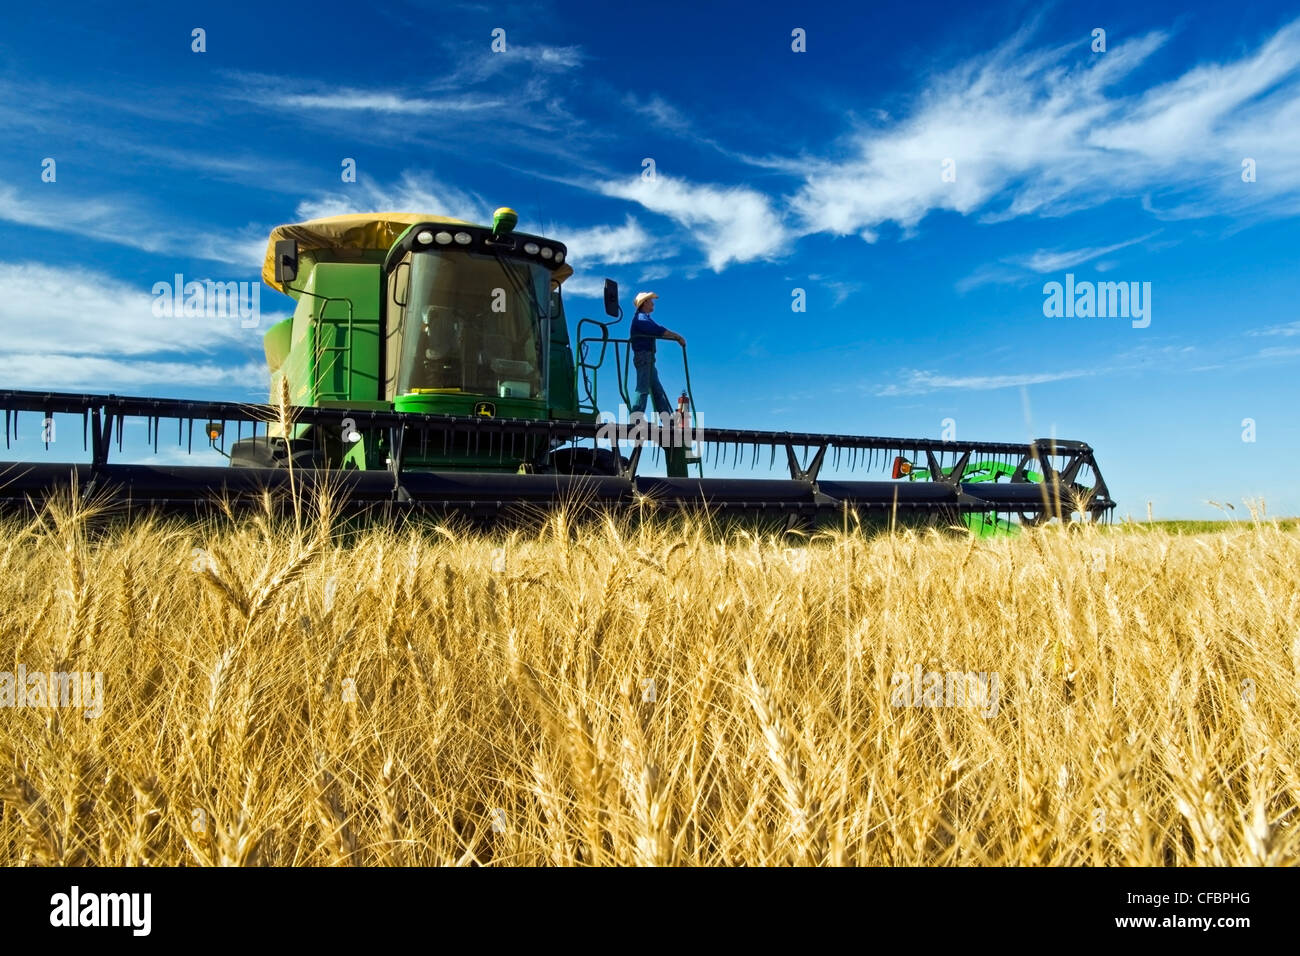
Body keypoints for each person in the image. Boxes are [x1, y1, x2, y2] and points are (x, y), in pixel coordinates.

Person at [629, 291, 685, 421]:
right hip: (643, 357)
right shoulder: (641, 319)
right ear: (645, 303)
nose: (653, 303)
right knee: (642, 388)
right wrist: (677, 337)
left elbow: (657, 329)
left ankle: (666, 419)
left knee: (657, 390)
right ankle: (636, 419)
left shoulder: (645, 318)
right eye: (650, 300)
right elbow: (658, 331)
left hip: (648, 358)